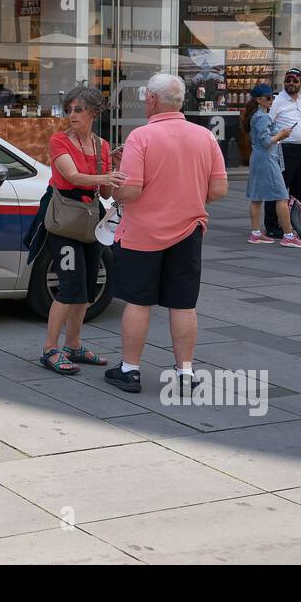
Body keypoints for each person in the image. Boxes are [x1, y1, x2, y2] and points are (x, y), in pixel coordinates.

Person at [106, 74, 228, 394]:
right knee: (184, 304)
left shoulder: (141, 137)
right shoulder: (204, 137)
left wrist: (117, 188)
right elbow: (218, 190)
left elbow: (130, 191)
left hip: (142, 233)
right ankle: (185, 373)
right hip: (189, 230)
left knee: (137, 302)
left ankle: (130, 370)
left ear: (152, 100)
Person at [38, 86, 127, 375]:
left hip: (90, 220)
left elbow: (104, 190)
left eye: (78, 109)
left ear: (93, 112)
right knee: (68, 287)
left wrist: (115, 167)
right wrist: (105, 174)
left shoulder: (101, 145)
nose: (72, 115)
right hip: (65, 220)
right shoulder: (59, 141)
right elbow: (72, 176)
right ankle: (50, 349)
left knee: (87, 289)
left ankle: (73, 345)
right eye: (69, 109)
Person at [243, 84, 301, 248]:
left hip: (258, 157)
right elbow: (266, 141)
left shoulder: (257, 115)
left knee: (257, 196)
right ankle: (288, 235)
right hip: (266, 157)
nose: (272, 101)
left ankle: (256, 233)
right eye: (268, 98)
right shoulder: (263, 117)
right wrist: (281, 134)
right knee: (281, 195)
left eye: (272, 97)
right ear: (259, 100)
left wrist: (280, 133)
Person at [264, 68, 301, 239]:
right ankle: (271, 225)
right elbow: (267, 124)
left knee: (299, 190)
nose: (291, 83)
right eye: (288, 80)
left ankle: (296, 224)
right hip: (284, 150)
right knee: (278, 188)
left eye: (295, 80)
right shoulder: (277, 100)